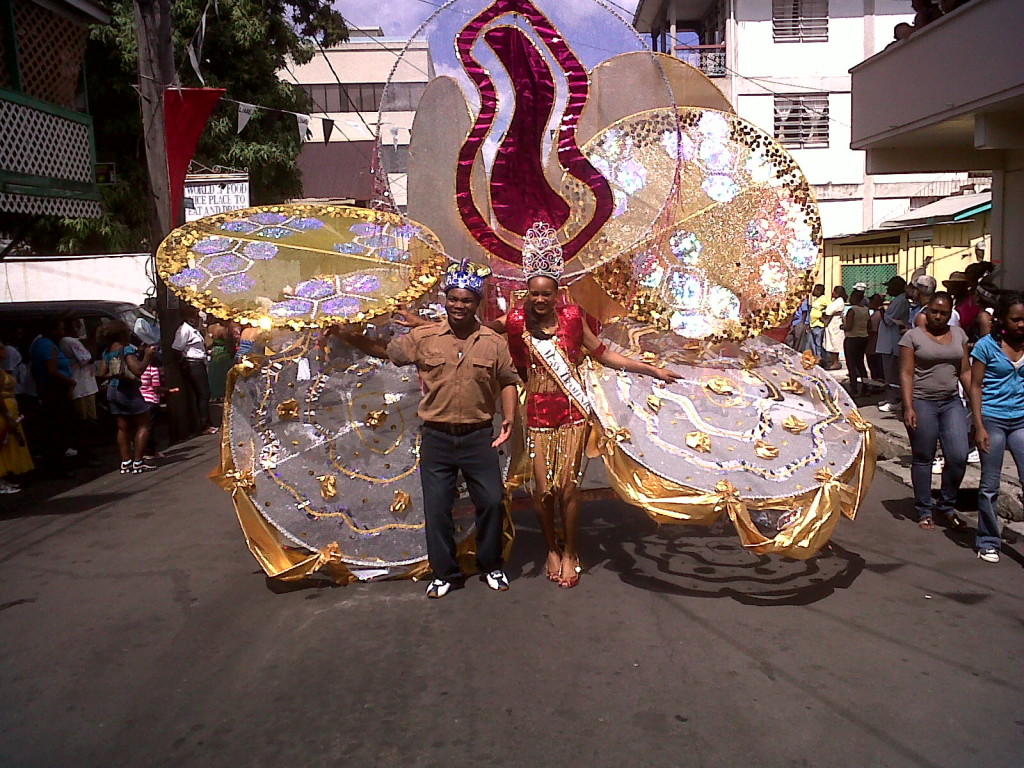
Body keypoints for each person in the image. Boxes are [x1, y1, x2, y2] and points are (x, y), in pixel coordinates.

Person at [476, 223, 681, 588]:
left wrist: (651, 369)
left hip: (573, 413)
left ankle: (570, 551)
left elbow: (604, 355)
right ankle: (550, 548)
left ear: (557, 294)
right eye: (533, 293)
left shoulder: (572, 319)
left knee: (569, 488)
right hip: (536, 412)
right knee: (542, 492)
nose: (539, 300)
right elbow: (476, 333)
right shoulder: (515, 320)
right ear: (527, 293)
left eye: (546, 294)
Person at [342, 261, 520, 599]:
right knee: (437, 508)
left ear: (477, 303)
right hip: (437, 437)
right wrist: (349, 335)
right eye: (453, 299)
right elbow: (385, 351)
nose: (459, 306)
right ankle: (445, 573)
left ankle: (490, 564)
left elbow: (508, 380)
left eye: (466, 300)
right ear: (445, 300)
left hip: (478, 435)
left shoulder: (493, 343)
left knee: (493, 501)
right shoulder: (424, 337)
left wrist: (508, 418)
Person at [899, 292, 971, 531]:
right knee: (924, 457)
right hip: (922, 402)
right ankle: (924, 509)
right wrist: (908, 406)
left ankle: (945, 505)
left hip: (951, 403)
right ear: (926, 311)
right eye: (934, 311)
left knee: (959, 456)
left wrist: (975, 401)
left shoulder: (959, 335)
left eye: (944, 313)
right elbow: (906, 373)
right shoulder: (912, 337)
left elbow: (965, 372)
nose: (939, 316)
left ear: (950, 314)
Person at [968, 292, 1024, 564]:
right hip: (993, 419)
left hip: (1021, 422)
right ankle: (989, 540)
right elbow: (975, 387)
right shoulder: (986, 346)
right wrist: (978, 426)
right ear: (1002, 319)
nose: (1021, 324)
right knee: (990, 485)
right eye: (1016, 319)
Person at [98, 321, 157, 474]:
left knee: (122, 427)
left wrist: (115, 373)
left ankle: (126, 462)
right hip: (127, 390)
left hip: (113, 390)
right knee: (143, 423)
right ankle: (138, 461)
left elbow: (102, 373)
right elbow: (137, 370)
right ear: (122, 335)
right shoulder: (126, 350)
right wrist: (147, 357)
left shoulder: (107, 350)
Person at [28, 317, 77, 467]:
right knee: (58, 426)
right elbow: (52, 370)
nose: (62, 333)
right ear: (52, 330)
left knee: (54, 426)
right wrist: (69, 381)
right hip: (54, 389)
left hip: (47, 388)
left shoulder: (38, 343)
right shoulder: (47, 345)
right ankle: (59, 461)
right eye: (60, 329)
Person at [174, 306, 216, 435]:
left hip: (199, 362)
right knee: (203, 393)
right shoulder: (184, 330)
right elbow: (177, 348)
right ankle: (204, 424)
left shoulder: (194, 330)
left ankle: (203, 422)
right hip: (193, 364)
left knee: (202, 394)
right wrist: (183, 362)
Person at [59, 319, 100, 453]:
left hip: (85, 384)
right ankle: (87, 450)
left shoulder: (69, 341)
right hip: (81, 385)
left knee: (88, 419)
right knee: (85, 420)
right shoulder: (69, 341)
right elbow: (86, 358)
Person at [0, 344, 33, 493]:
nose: (4, 351)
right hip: (4, 411)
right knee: (4, 445)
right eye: (1, 348)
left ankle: (9, 476)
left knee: (12, 443)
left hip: (12, 408)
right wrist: (7, 415)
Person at [877, 276, 910, 412]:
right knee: (888, 373)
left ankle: (894, 399)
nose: (888, 289)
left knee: (892, 374)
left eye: (890, 286)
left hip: (892, 343)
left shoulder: (901, 300)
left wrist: (881, 309)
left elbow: (889, 320)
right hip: (887, 343)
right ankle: (890, 397)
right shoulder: (897, 300)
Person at [844, 289, 870, 396]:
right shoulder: (865, 310)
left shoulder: (852, 310)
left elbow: (849, 326)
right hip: (864, 337)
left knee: (851, 364)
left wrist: (843, 326)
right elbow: (869, 325)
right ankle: (865, 388)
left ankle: (854, 389)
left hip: (852, 338)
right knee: (861, 364)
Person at [206, 318, 233, 402]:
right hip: (222, 352)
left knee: (214, 374)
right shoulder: (223, 330)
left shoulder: (210, 328)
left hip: (215, 351)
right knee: (222, 375)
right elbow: (228, 340)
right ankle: (222, 395)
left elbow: (208, 341)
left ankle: (214, 395)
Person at [822, 286, 847, 370]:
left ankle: (835, 363)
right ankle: (834, 362)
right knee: (833, 343)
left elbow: (828, 312)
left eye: (834, 291)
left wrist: (822, 314)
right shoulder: (837, 301)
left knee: (834, 344)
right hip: (832, 323)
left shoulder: (838, 302)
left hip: (834, 325)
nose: (832, 293)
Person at [866, 293, 886, 384]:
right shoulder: (878, 314)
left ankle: (877, 384)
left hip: (874, 344)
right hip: (878, 344)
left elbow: (874, 332)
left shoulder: (876, 316)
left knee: (875, 366)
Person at [807, 284, 828, 358]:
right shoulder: (817, 299)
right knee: (814, 344)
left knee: (819, 344)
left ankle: (820, 359)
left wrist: (822, 315)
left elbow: (831, 308)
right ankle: (817, 357)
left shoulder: (824, 299)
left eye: (815, 289)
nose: (813, 291)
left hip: (819, 325)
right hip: (813, 324)